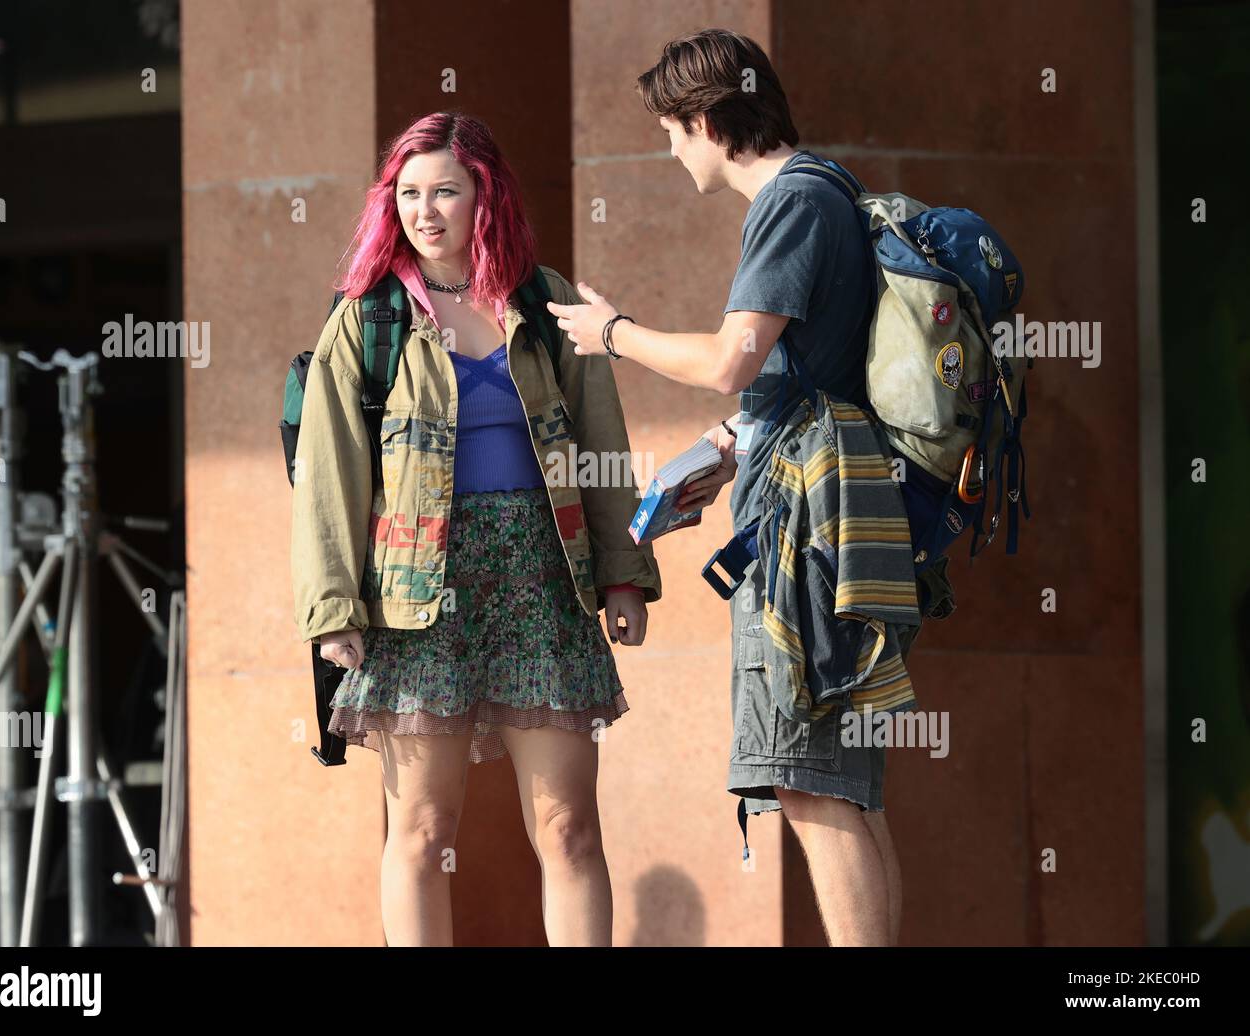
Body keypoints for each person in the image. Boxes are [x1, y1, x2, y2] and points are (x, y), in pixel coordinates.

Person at [548, 29, 953, 947]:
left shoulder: (790, 202)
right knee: (844, 786)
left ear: (706, 120)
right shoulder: (831, 193)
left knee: (810, 782)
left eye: (671, 132)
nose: (670, 149)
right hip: (839, 510)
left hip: (806, 530)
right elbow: (800, 375)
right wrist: (724, 449)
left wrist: (615, 334)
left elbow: (735, 357)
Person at [290, 111, 661, 946]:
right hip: (417, 589)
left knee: (570, 829)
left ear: (483, 195)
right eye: (409, 193)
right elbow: (329, 476)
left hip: (543, 576)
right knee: (422, 834)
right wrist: (332, 608)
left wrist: (623, 572)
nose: (426, 211)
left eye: (445, 191)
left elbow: (602, 442)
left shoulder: (549, 301)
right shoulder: (367, 320)